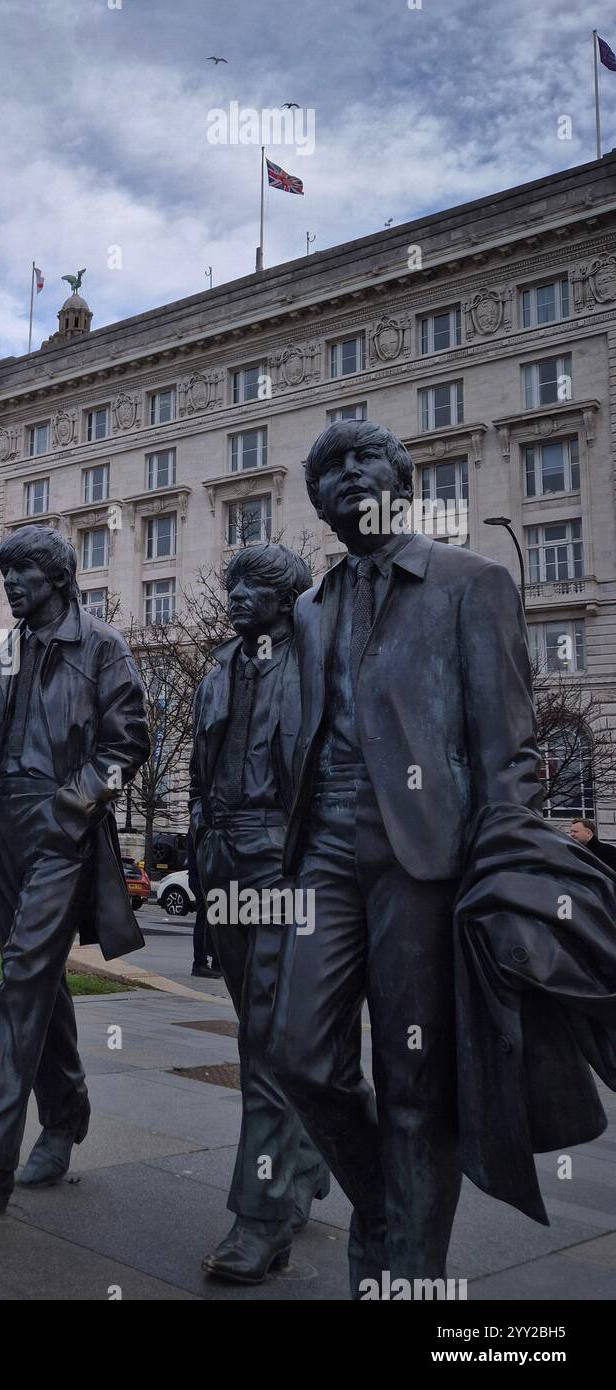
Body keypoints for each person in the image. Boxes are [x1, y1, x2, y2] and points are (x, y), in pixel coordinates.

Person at [269, 419, 541, 1296]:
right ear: (317, 502)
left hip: (426, 856)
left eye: (365, 459)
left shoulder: (470, 582)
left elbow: (509, 750)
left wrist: (509, 874)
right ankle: (385, 1208)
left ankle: (413, 1268)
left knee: (416, 1079)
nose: (348, 475)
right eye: (330, 469)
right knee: (300, 1055)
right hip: (326, 855)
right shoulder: (310, 607)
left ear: (403, 477)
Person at [0, 525, 148, 1218]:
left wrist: (73, 807)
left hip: (62, 831)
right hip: (7, 832)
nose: (11, 585)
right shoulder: (8, 651)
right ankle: (66, 1112)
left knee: (23, 977)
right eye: (4, 575)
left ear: (55, 575)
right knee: (38, 979)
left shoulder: (102, 647)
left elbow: (128, 743)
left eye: (21, 573)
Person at [187, 542, 330, 1283]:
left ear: (288, 598)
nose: (238, 594)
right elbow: (197, 771)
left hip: (283, 859)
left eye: (256, 585)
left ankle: (262, 1215)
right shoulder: (216, 672)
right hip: (223, 860)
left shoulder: (314, 666)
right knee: (261, 1028)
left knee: (267, 1042)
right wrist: (199, 840)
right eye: (233, 581)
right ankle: (308, 1158)